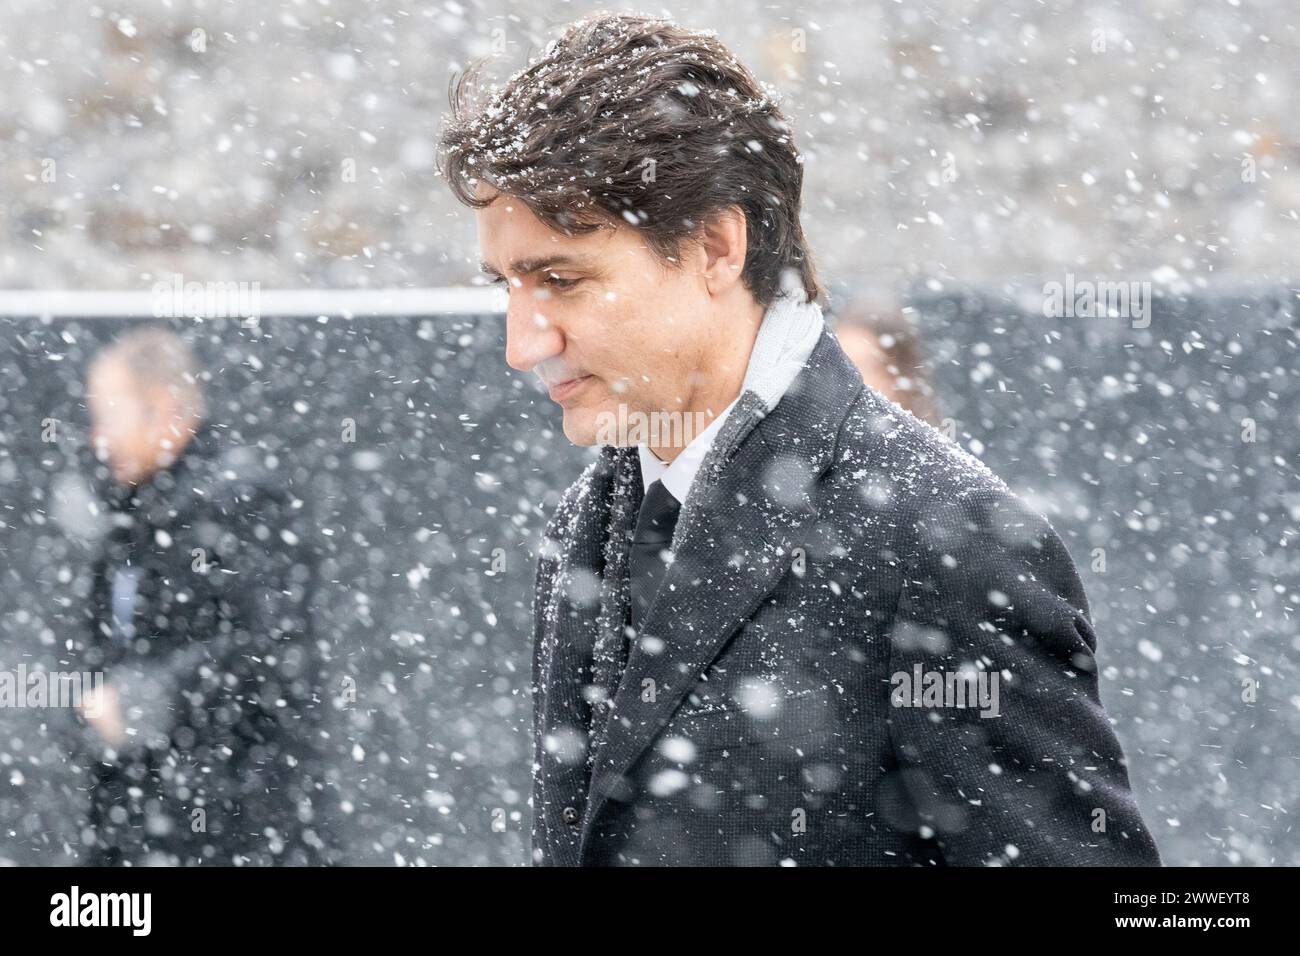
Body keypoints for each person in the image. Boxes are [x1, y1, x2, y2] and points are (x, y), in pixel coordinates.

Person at [438, 13, 1160, 866]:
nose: (522, 345)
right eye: (507, 286)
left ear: (715, 246)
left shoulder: (941, 543)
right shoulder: (583, 525)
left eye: (561, 279)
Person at [73, 326, 334, 865]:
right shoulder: (131, 514)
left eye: (110, 414)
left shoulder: (241, 501)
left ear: (162, 406)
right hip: (146, 825)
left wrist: (150, 698)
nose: (99, 438)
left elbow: (273, 653)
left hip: (234, 829)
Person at [832, 290, 943, 426]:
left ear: (898, 374)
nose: (844, 377)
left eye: (864, 366)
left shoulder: (931, 443)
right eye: (836, 361)